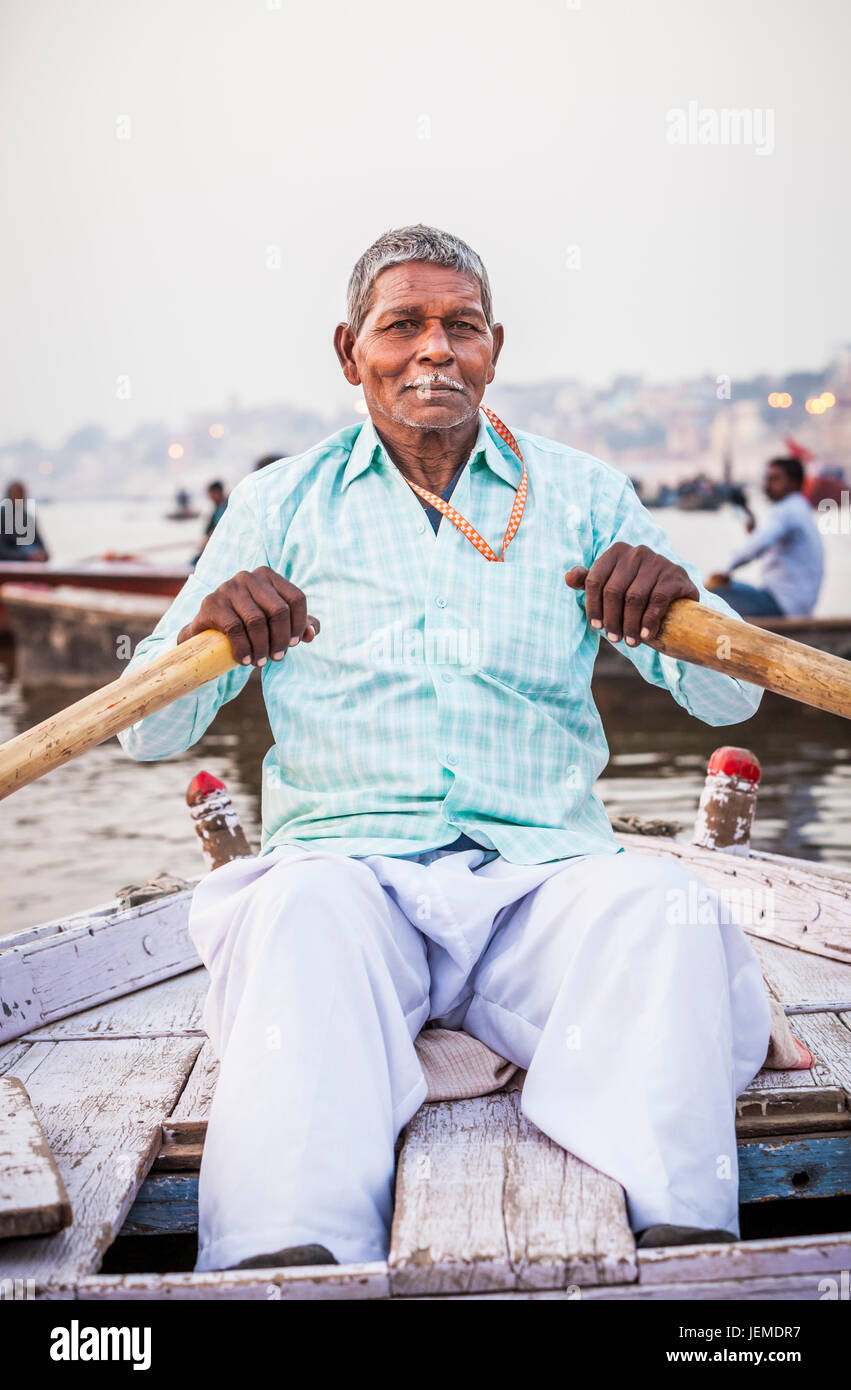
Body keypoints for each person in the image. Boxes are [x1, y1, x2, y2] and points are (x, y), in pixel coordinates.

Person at [118, 224, 770, 1271]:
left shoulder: (581, 496)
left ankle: (688, 1257)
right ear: (349, 352)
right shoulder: (277, 505)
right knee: (293, 908)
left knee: (657, 905)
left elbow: (728, 701)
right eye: (402, 325)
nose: (433, 349)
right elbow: (149, 730)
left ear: (493, 348)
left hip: (538, 878)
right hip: (348, 876)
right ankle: (285, 1262)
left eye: (458, 326)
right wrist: (208, 633)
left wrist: (685, 600)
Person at [708, 457, 824, 617]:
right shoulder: (799, 507)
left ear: (794, 483)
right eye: (767, 478)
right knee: (726, 588)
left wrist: (726, 570)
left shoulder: (787, 510)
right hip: (792, 603)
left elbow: (758, 545)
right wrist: (748, 516)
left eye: (775, 479)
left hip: (782, 605)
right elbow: (763, 541)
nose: (767, 485)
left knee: (711, 595)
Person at [0, 480, 49, 562]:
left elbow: (42, 548)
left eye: (21, 494)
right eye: (15, 494)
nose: (19, 497)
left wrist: (41, 555)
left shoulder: (27, 518)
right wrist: (26, 557)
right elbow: (2, 551)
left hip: (30, 566)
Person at [191, 481, 228, 564]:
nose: (210, 497)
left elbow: (219, 529)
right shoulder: (219, 507)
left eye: (212, 494)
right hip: (213, 548)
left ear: (218, 492)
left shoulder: (226, 507)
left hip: (220, 551)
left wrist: (208, 540)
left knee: (196, 562)